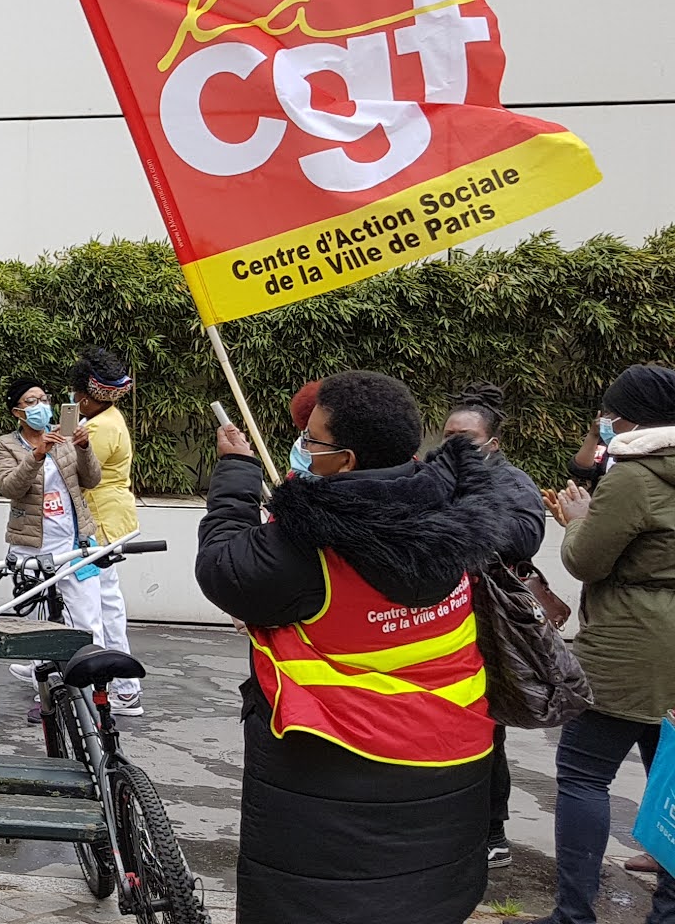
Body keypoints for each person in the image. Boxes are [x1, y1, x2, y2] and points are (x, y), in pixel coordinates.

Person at [197, 370, 514, 924]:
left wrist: (236, 473)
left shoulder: (305, 547)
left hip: (330, 777)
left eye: (313, 440)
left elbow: (224, 567)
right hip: (451, 763)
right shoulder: (455, 513)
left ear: (344, 460)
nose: (303, 449)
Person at [540, 364, 675, 924]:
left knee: (583, 774)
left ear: (631, 416)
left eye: (611, 413)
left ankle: (574, 913)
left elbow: (585, 559)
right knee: (669, 780)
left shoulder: (634, 475)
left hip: (629, 642)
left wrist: (576, 519)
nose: (606, 423)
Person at [442, 382, 550, 869]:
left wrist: (468, 509)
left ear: (492, 443)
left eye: (465, 437)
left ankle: (492, 831)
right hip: (439, 615)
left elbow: (525, 536)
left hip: (488, 618)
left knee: (486, 726)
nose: (454, 445)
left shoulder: (512, 483)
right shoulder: (434, 474)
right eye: (447, 435)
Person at [0, 376, 103, 709]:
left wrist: (83, 448)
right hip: (32, 547)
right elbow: (9, 488)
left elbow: (92, 479)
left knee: (87, 616)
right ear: (17, 411)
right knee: (37, 620)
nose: (40, 406)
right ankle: (44, 695)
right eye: (30, 402)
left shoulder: (66, 437)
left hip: (74, 541)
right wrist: (37, 455)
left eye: (43, 399)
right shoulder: (4, 445)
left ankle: (91, 689)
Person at [69, 347, 143, 716]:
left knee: (93, 605)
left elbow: (75, 471)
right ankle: (124, 686)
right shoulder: (111, 419)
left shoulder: (97, 428)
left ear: (85, 396)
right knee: (107, 601)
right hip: (112, 517)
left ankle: (108, 681)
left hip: (98, 519)